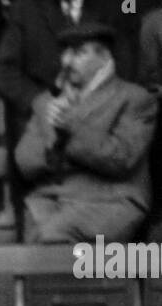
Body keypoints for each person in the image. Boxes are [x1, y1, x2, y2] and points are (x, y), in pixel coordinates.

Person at [15, 19, 156, 242]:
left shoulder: (134, 98)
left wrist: (69, 129)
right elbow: (25, 161)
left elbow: (121, 158)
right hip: (47, 201)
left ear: (104, 59)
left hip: (109, 202)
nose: (68, 61)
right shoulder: (46, 102)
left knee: (50, 235)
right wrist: (54, 146)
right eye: (66, 53)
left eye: (79, 53)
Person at [0, 0, 130, 141]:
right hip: (39, 116)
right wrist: (41, 102)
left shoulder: (111, 12)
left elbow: (125, 67)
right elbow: (5, 71)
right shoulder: (25, 9)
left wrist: (96, 105)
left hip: (98, 117)